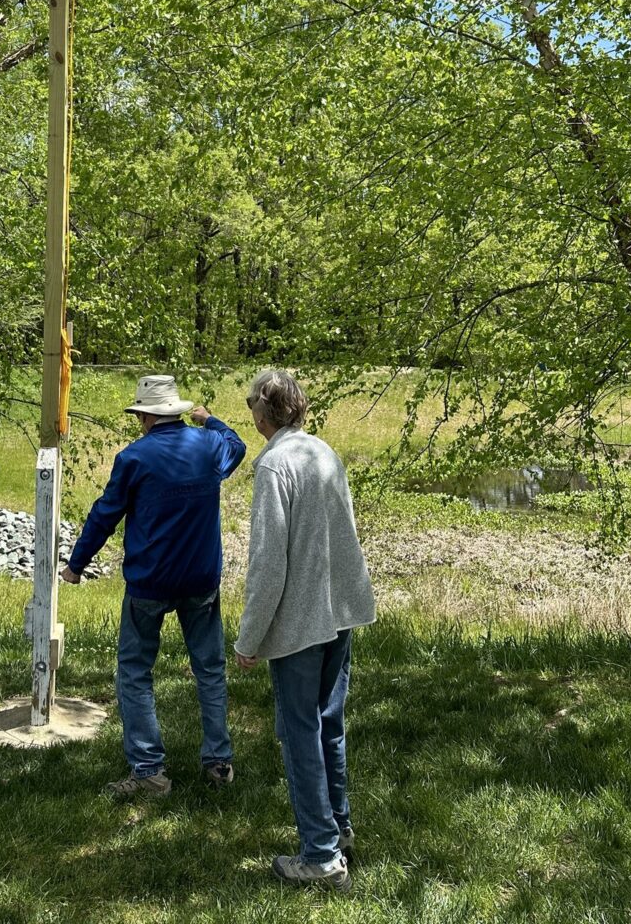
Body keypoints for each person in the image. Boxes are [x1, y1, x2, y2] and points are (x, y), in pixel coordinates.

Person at [61, 373, 246, 799]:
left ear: (144, 415)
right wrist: (212, 420)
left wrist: (76, 565)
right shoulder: (207, 446)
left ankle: (149, 771)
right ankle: (218, 762)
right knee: (210, 669)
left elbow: (104, 515)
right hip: (200, 579)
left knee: (135, 672)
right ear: (176, 411)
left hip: (149, 582)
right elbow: (237, 446)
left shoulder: (134, 458)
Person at [234, 369, 376, 893]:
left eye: (252, 405)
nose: (251, 414)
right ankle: (338, 829)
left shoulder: (275, 465)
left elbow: (268, 565)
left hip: (302, 621)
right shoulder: (323, 452)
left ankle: (320, 856)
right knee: (328, 723)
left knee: (300, 733)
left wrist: (250, 639)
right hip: (340, 610)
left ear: (264, 412)